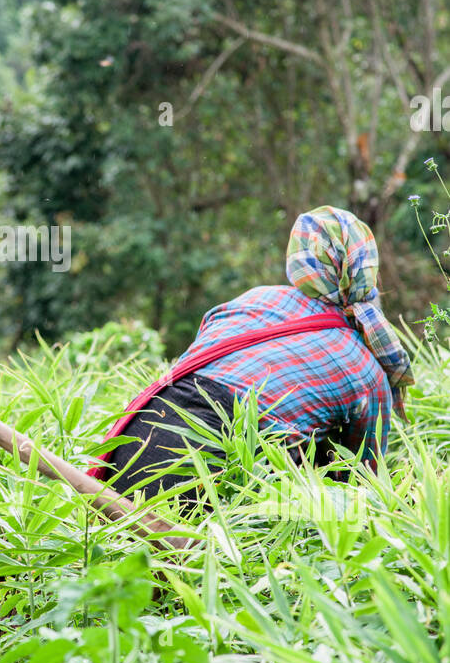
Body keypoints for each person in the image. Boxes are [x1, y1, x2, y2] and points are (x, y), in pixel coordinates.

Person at [91, 206, 414, 505]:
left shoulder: (254, 298)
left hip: (132, 448)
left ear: (299, 262)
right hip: (209, 472)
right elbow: (363, 483)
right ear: (365, 271)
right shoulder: (365, 368)